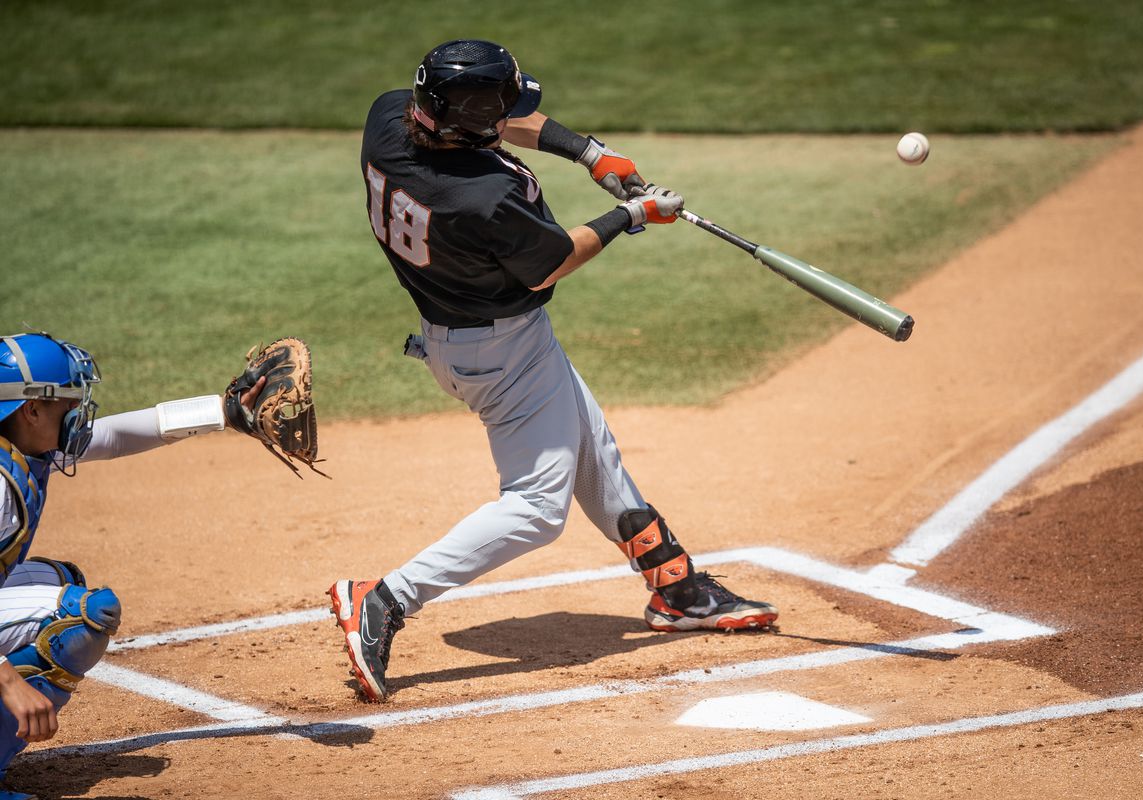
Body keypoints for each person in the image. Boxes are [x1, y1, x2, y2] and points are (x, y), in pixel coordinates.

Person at [329, 40, 778, 704]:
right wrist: (631, 214)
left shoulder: (390, 117)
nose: (512, 114)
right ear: (466, 120)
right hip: (501, 354)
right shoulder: (484, 196)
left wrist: (589, 152)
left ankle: (676, 587)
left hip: (468, 337)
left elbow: (492, 124)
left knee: (591, 448)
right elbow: (552, 261)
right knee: (538, 509)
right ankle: (386, 598)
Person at [0, 333, 263, 800]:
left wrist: (223, 411)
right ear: (31, 409)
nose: (79, 411)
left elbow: (117, 435)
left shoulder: (22, 443)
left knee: (60, 581)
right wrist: (7, 680)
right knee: (79, 615)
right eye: (67, 400)